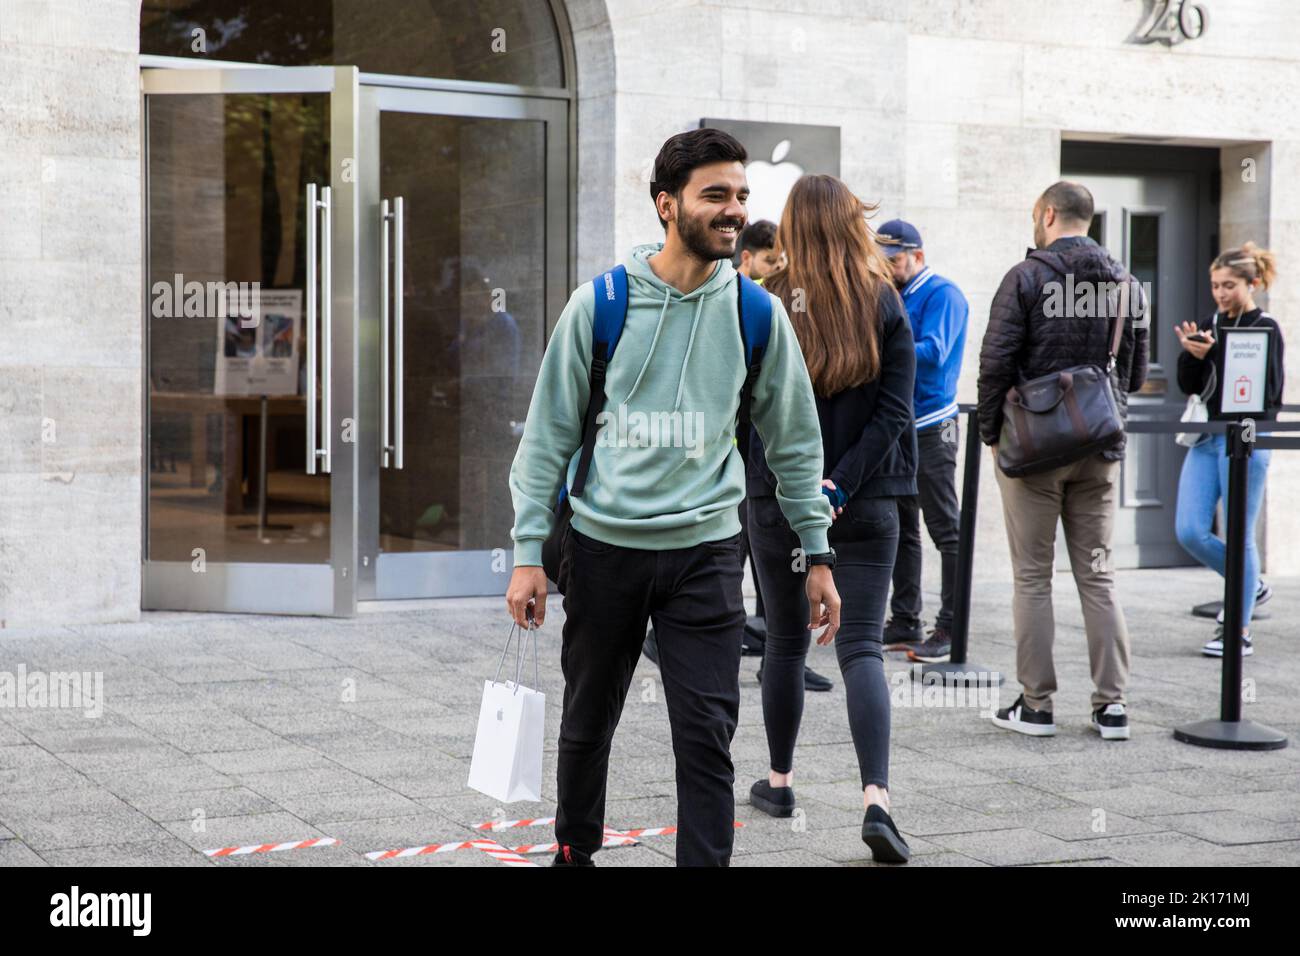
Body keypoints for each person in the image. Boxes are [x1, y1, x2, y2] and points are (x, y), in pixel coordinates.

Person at [505, 128, 840, 867]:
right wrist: (529, 552)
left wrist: (816, 551)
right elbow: (547, 439)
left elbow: (794, 446)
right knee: (588, 723)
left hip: (707, 554)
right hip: (602, 549)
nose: (734, 210)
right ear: (667, 204)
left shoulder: (757, 315)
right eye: (714, 195)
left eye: (741, 196)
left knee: (707, 736)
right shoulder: (600, 306)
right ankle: (575, 852)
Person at [744, 175, 916, 863]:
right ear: (852, 224)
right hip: (868, 500)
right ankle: (876, 798)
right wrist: (839, 484)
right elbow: (895, 414)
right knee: (863, 649)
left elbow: (747, 413)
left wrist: (800, 489)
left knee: (785, 642)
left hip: (779, 505)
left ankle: (780, 782)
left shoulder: (765, 305)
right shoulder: (885, 302)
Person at [977, 181, 1148, 742]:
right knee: (1098, 577)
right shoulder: (1126, 283)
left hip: (1032, 452)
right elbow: (1137, 375)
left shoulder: (1025, 277)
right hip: (1099, 450)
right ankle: (1112, 707)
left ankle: (1037, 706)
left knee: (1032, 578)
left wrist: (990, 436)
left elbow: (995, 363)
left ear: (1047, 215)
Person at [645, 216, 834, 691]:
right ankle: (748, 647)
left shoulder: (761, 311)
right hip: (733, 473)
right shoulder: (734, 309)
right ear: (747, 258)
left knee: (756, 567)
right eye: (771, 260)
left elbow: (787, 421)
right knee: (744, 563)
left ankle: (771, 649)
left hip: (755, 469)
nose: (780, 269)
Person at [1174, 242, 1285, 658]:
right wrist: (1192, 356)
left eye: (1229, 285)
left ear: (1252, 283)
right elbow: (1190, 386)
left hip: (1247, 440)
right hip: (1205, 438)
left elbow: (1267, 394)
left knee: (1239, 534)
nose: (1220, 294)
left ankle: (1237, 629)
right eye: (1215, 285)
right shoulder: (1210, 323)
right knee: (1189, 530)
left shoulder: (1266, 326)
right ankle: (1249, 584)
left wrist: (1217, 353)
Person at [875, 219, 970, 664]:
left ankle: (952, 626)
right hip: (902, 426)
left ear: (918, 254)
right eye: (883, 260)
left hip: (934, 424)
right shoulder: (899, 294)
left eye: (894, 260)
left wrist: (877, 346)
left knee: (946, 530)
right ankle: (905, 618)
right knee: (903, 527)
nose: (888, 268)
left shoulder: (943, 294)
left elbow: (933, 351)